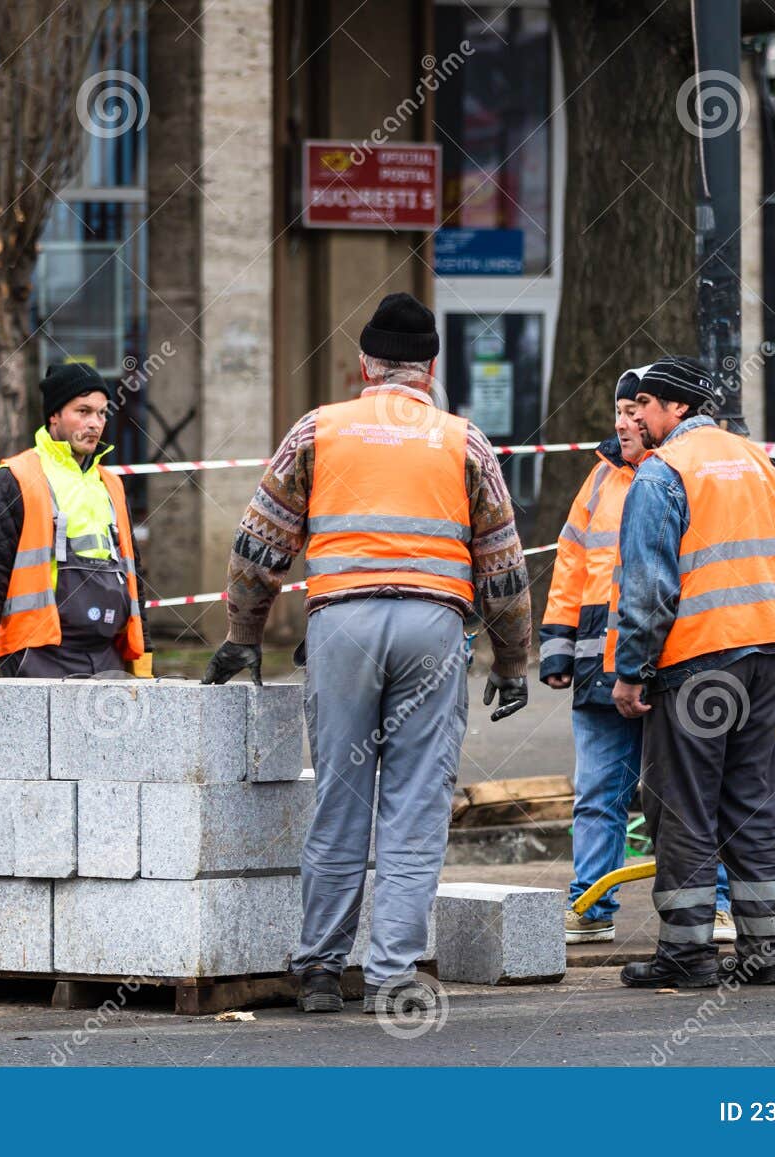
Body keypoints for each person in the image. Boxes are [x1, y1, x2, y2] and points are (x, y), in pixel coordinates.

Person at [203, 292, 533, 1017]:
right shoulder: (463, 440)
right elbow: (503, 565)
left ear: (364, 365)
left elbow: (259, 544)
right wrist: (513, 660)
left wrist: (243, 636)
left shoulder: (318, 431)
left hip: (342, 625)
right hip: (433, 630)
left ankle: (319, 967)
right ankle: (389, 972)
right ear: (431, 368)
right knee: (415, 806)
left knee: (340, 798)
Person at [605, 357, 775, 989]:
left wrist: (632, 671)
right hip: (761, 656)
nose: (638, 415)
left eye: (648, 406)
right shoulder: (758, 463)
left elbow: (647, 588)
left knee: (683, 806)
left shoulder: (664, 473)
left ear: (677, 409)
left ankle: (688, 956)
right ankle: (766, 951)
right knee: (752, 804)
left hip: (697, 661)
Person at [542, 369, 734, 945]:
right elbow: (571, 564)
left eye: (634, 410)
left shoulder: (677, 475)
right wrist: (557, 646)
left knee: (691, 793)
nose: (624, 422)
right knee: (598, 793)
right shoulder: (600, 479)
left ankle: (715, 904)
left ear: (662, 415)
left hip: (672, 662)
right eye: (619, 411)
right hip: (600, 667)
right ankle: (591, 904)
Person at [0, 362, 146, 679]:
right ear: (54, 415)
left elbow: (134, 575)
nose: (95, 423)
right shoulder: (12, 479)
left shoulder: (110, 485)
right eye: (83, 411)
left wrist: (142, 656)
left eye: (101, 413)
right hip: (34, 657)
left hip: (105, 656)